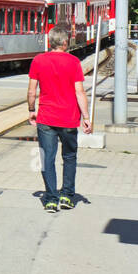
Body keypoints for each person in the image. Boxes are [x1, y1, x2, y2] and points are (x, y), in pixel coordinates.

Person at [27, 28, 92, 214]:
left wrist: (32, 110)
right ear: (65, 43)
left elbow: (32, 91)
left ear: (50, 42)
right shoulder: (73, 62)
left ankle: (50, 200)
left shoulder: (38, 60)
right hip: (69, 118)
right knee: (69, 157)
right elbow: (79, 92)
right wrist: (86, 117)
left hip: (46, 118)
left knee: (47, 158)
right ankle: (66, 196)